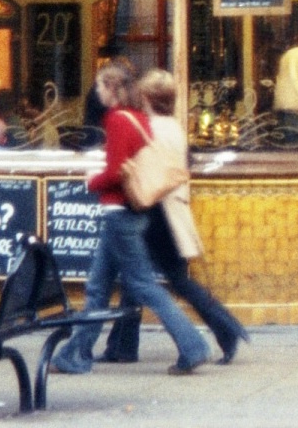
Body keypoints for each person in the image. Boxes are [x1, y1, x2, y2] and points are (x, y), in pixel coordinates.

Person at [50, 61, 211, 376]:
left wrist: (92, 181)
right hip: (133, 213)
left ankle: (192, 346)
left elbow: (115, 172)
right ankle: (76, 354)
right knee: (99, 287)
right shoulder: (138, 118)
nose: (96, 93)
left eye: (99, 86)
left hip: (118, 215)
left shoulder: (117, 120)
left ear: (111, 88)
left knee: (142, 285)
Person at [100, 68, 250, 365]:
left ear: (146, 97)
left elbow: (140, 169)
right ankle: (123, 345)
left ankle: (225, 329)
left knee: (170, 280)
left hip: (157, 211)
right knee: (137, 279)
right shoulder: (174, 126)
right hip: (167, 209)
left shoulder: (150, 128)